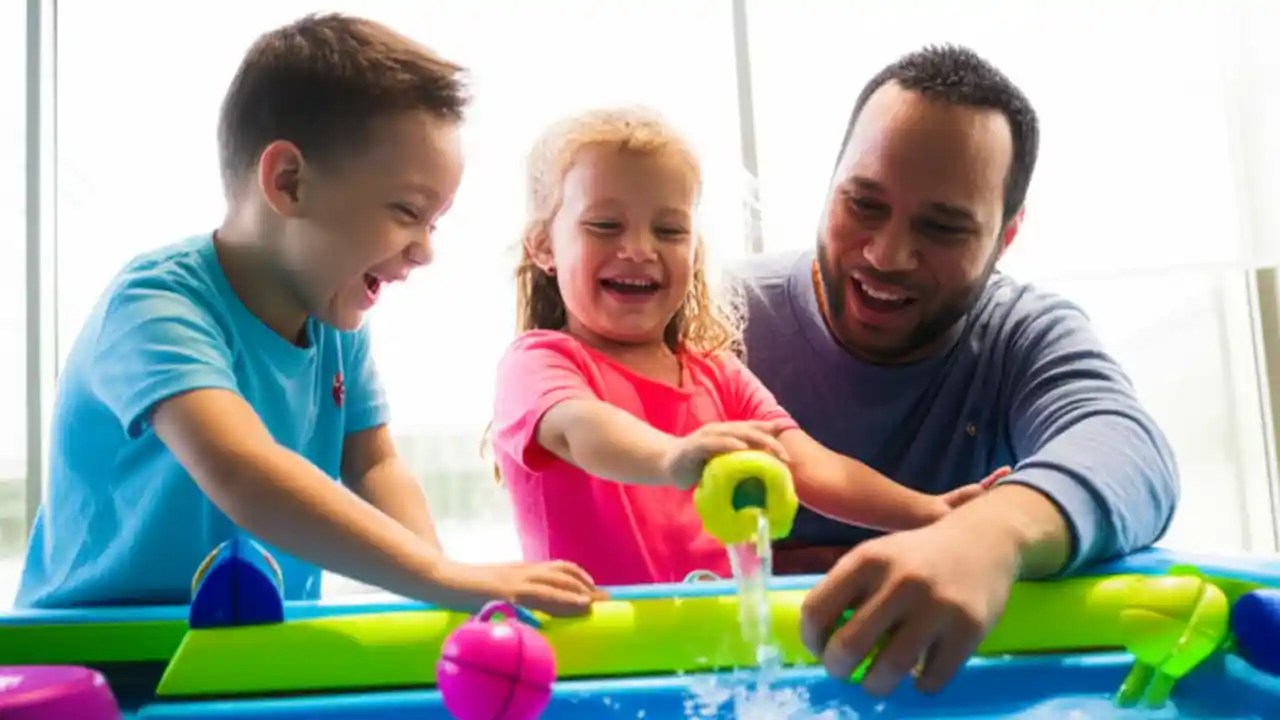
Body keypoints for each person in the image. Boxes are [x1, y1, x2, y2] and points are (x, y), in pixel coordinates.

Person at [15, 13, 603, 615]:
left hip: (261, 652)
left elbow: (373, 462)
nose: (425, 249)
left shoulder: (333, 322)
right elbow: (245, 472)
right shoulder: (152, 308)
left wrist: (450, 593)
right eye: (406, 211)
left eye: (434, 222)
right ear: (289, 182)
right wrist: (439, 575)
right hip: (102, 662)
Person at [732, 45, 1180, 694]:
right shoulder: (710, 318)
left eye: (942, 228)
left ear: (1006, 236)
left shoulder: (1021, 334)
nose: (887, 254)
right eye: (864, 204)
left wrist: (986, 538)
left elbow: (1129, 448)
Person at [488, 106, 1000, 588]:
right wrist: (673, 458)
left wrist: (930, 512)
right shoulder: (539, 364)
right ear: (544, 247)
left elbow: (811, 466)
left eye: (669, 230)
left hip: (719, 646)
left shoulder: (717, 374)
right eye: (604, 225)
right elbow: (581, 433)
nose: (640, 250)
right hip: (597, 651)